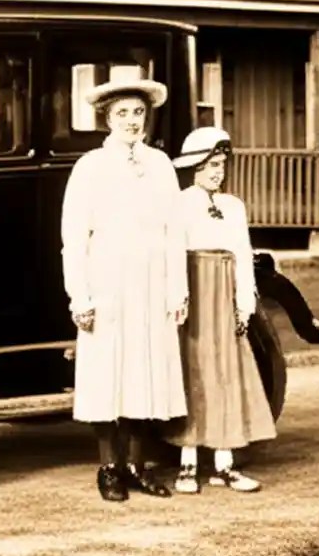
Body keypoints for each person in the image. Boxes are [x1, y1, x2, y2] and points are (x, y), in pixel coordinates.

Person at [60, 65, 190, 503]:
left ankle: (137, 465)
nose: (132, 121)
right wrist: (80, 294)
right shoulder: (90, 167)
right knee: (106, 374)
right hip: (108, 282)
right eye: (122, 113)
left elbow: (175, 231)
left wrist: (176, 290)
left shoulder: (160, 166)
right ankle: (108, 467)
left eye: (138, 112)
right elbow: (74, 237)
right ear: (107, 118)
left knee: (143, 371)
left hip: (151, 284)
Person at [165, 126, 277, 493]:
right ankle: (188, 463)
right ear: (195, 165)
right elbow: (175, 254)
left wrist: (244, 302)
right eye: (212, 164)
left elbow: (242, 255)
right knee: (195, 372)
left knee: (226, 372)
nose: (218, 172)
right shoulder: (180, 203)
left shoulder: (233, 206)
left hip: (224, 292)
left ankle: (224, 463)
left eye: (222, 165)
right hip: (196, 292)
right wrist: (179, 297)